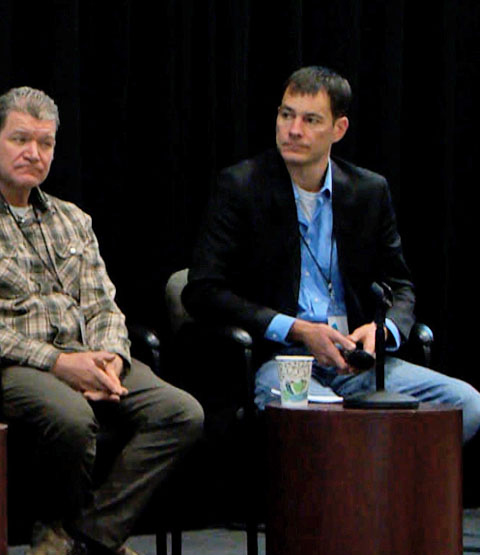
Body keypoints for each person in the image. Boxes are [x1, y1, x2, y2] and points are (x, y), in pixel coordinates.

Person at [0, 87, 204, 555]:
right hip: (12, 366)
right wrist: (59, 364)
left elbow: (102, 304)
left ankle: (84, 536)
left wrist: (111, 359)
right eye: (20, 140)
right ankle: (100, 543)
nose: (34, 153)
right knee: (72, 417)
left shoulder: (72, 218)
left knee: (181, 412)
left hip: (90, 356)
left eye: (45, 143)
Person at [185, 66, 480, 443]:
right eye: (286, 115)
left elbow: (400, 286)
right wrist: (298, 329)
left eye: (310, 120)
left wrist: (382, 331)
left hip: (357, 364)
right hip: (282, 360)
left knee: (466, 404)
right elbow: (202, 290)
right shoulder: (241, 187)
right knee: (328, 422)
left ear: (338, 129)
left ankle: (392, 481)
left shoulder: (368, 191)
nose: (293, 130)